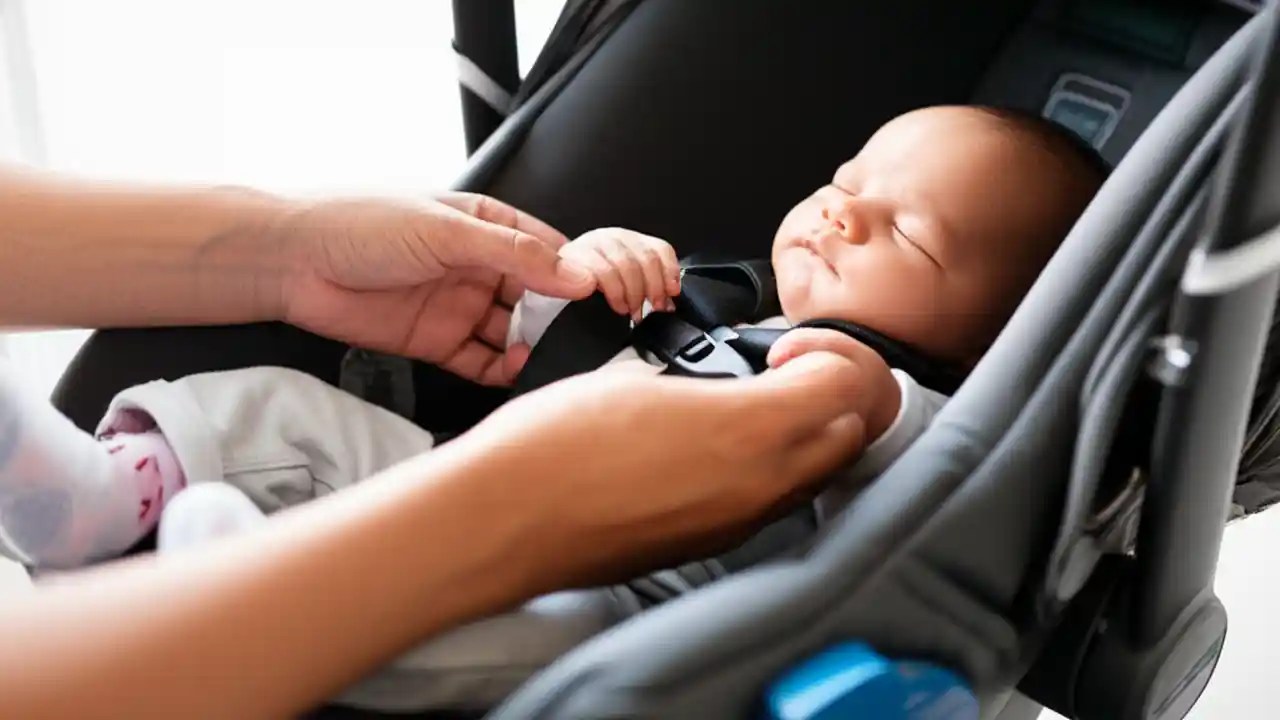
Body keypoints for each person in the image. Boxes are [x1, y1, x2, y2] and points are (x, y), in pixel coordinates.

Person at [0, 105, 1109, 711]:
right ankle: (105, 493)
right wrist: (588, 271)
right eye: (845, 179)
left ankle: (239, 592)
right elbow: (530, 334)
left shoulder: (911, 400)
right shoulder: (725, 300)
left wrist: (866, 404)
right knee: (291, 405)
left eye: (904, 233)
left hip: (636, 605)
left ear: (998, 337)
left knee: (505, 639)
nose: (840, 216)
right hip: (487, 468)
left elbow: (936, 467)